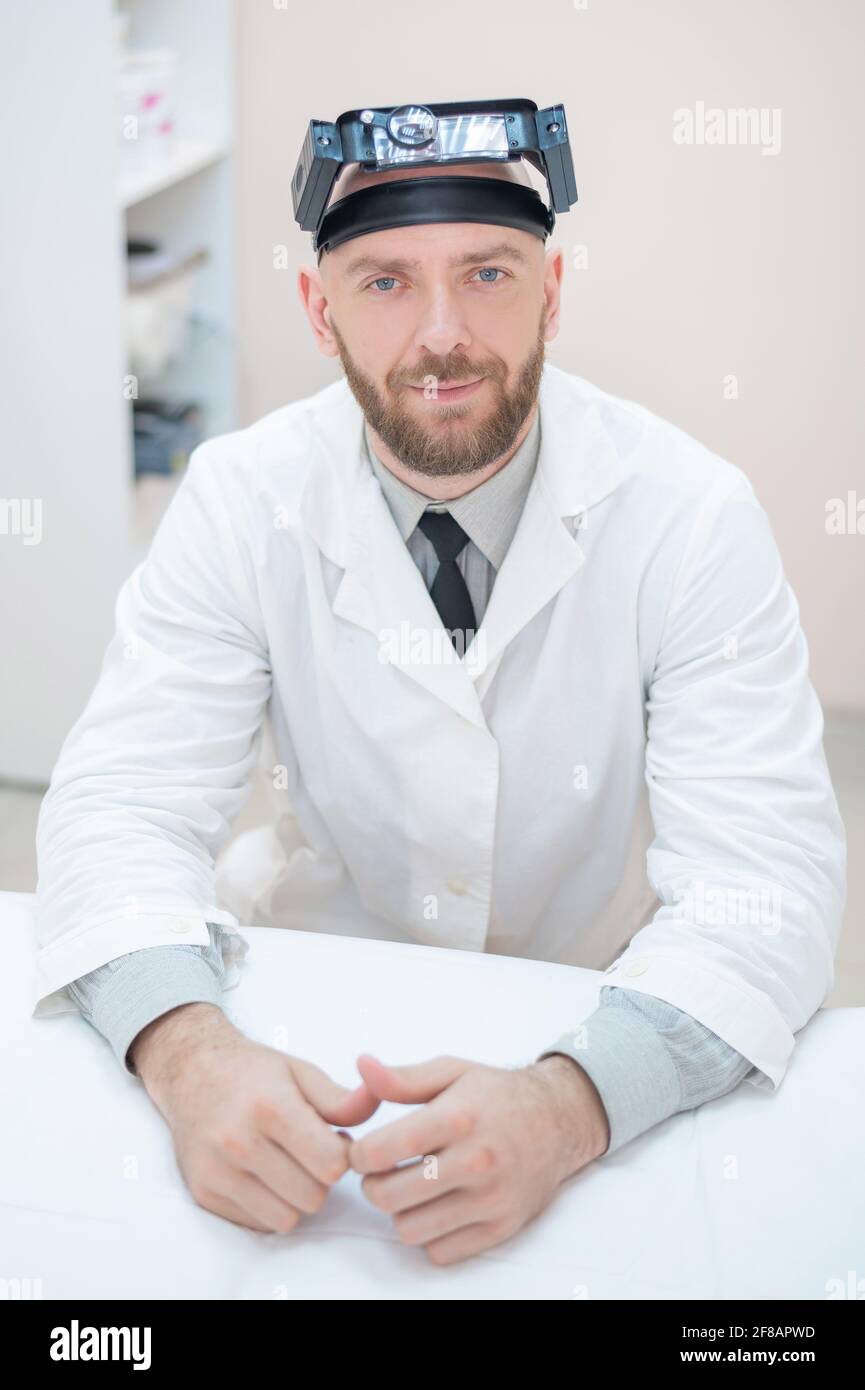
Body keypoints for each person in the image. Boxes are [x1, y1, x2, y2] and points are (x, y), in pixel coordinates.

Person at [33, 151, 846, 1267]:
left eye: (488, 273)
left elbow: (767, 888)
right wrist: (187, 1051)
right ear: (318, 309)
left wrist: (574, 1107)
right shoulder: (240, 497)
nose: (442, 334)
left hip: (590, 998)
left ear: (552, 290)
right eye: (384, 282)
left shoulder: (692, 518)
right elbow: (117, 805)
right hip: (303, 997)